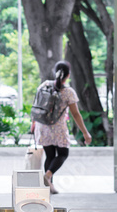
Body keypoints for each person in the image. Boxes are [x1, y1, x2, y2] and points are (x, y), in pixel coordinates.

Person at [31, 60, 91, 194]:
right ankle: (48, 176)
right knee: (63, 154)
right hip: (58, 128)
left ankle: (48, 185)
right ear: (68, 75)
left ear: (55, 72)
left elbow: (36, 106)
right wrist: (85, 133)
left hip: (43, 126)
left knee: (50, 156)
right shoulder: (68, 92)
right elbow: (76, 114)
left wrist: (33, 123)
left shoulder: (44, 85)